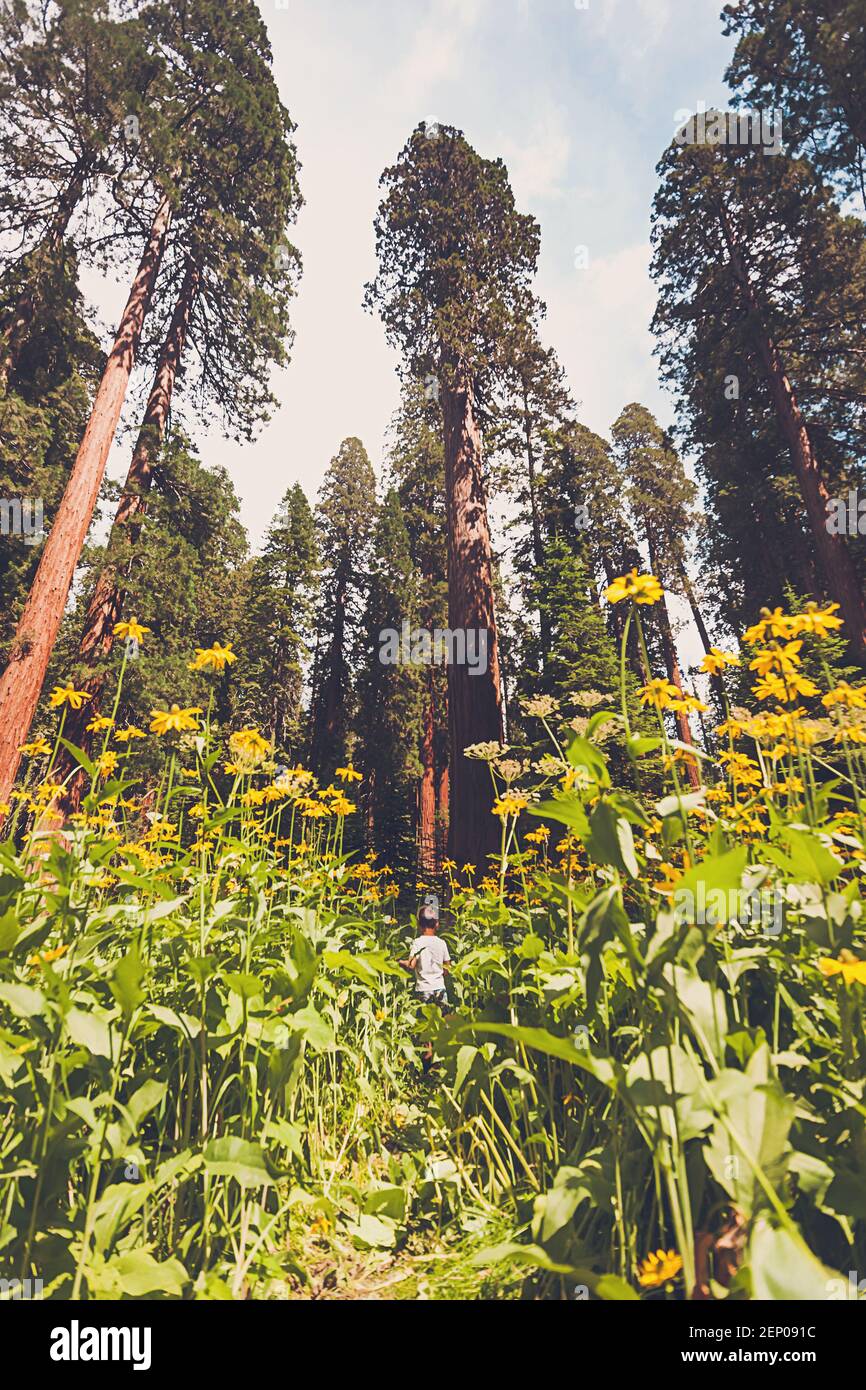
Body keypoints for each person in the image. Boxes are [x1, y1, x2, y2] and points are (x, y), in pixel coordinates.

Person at [399, 905, 451, 1071]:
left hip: (423, 990)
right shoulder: (441, 943)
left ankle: (426, 1068)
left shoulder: (417, 942)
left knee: (425, 1028)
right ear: (437, 924)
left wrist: (400, 962)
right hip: (440, 989)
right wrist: (439, 972)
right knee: (441, 1026)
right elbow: (447, 969)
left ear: (419, 925)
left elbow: (411, 965)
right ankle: (439, 1065)